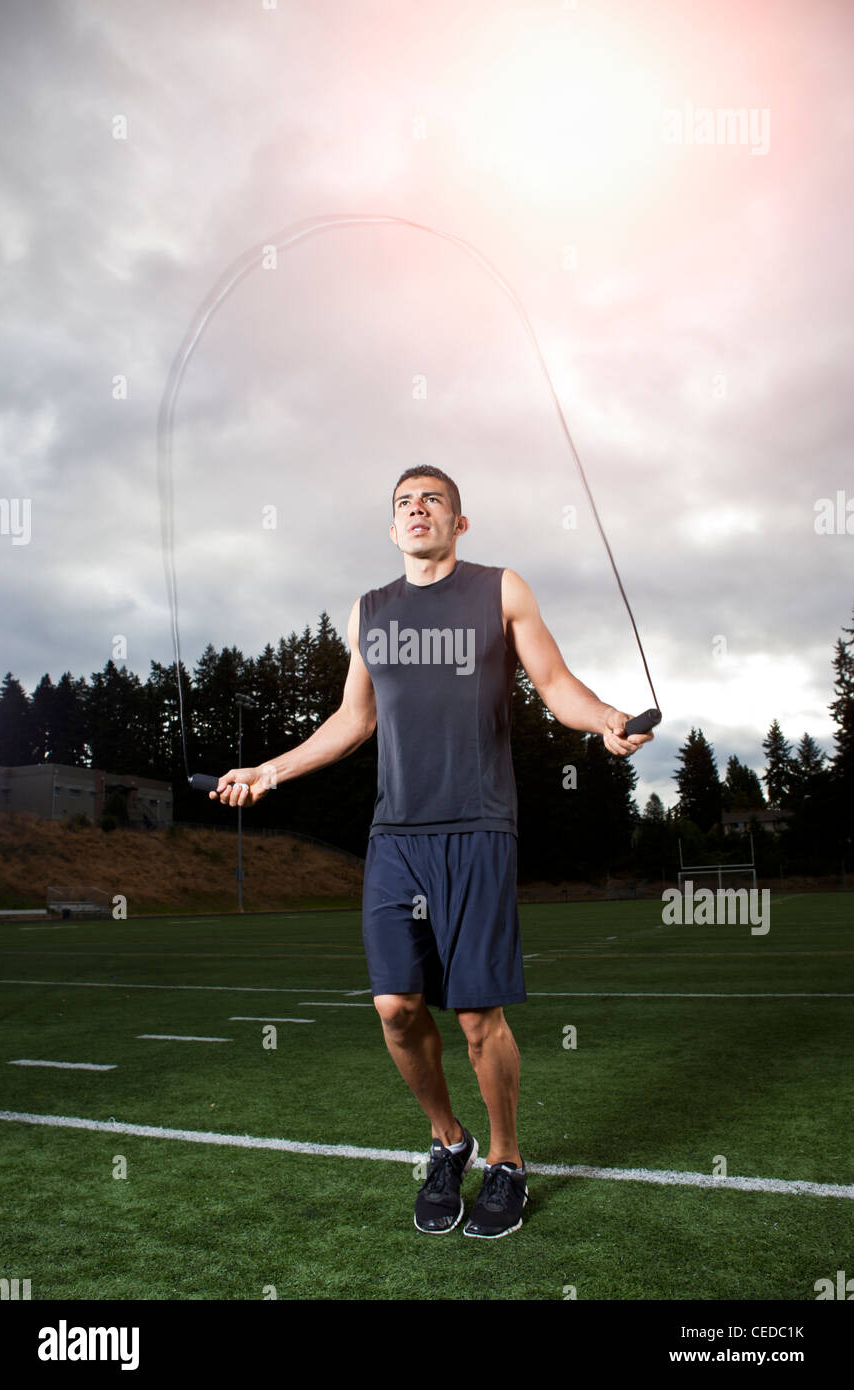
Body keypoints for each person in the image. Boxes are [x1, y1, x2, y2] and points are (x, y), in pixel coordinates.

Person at [211, 466, 653, 1238]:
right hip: (396, 837)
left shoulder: (500, 589)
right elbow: (354, 720)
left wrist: (607, 718)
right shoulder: (370, 612)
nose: (418, 511)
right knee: (396, 1005)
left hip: (479, 830)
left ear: (460, 522)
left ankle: (507, 1161)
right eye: (404, 504)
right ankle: (449, 1140)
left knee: (479, 1016)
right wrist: (269, 771)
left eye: (433, 501)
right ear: (392, 529)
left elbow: (554, 683)